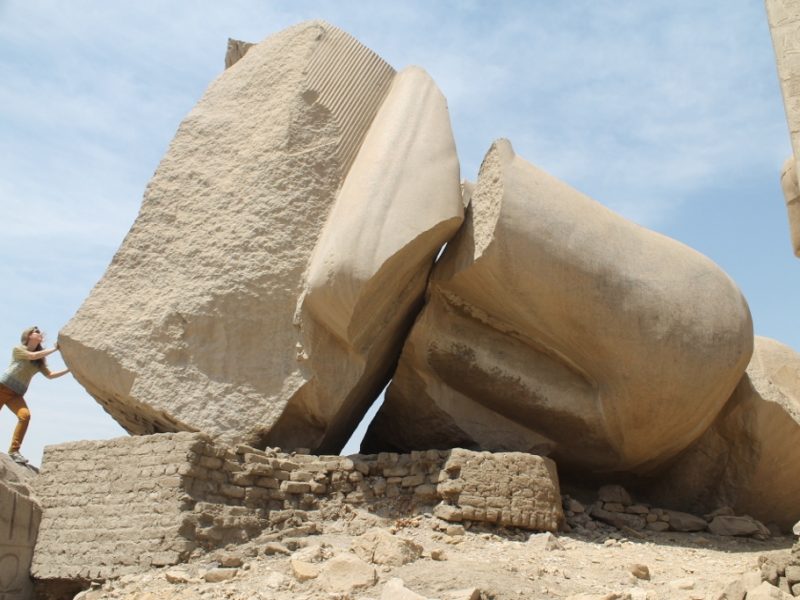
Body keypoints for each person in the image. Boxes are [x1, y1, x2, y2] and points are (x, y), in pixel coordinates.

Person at [0, 326, 70, 464]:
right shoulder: (19, 349)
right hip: (2, 388)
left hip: (16, 394)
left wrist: (69, 369)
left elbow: (50, 375)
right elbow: (32, 355)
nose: (39, 333)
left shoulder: (39, 362)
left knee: (25, 416)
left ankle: (14, 451)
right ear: (28, 336)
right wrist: (55, 349)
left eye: (39, 332)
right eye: (35, 332)